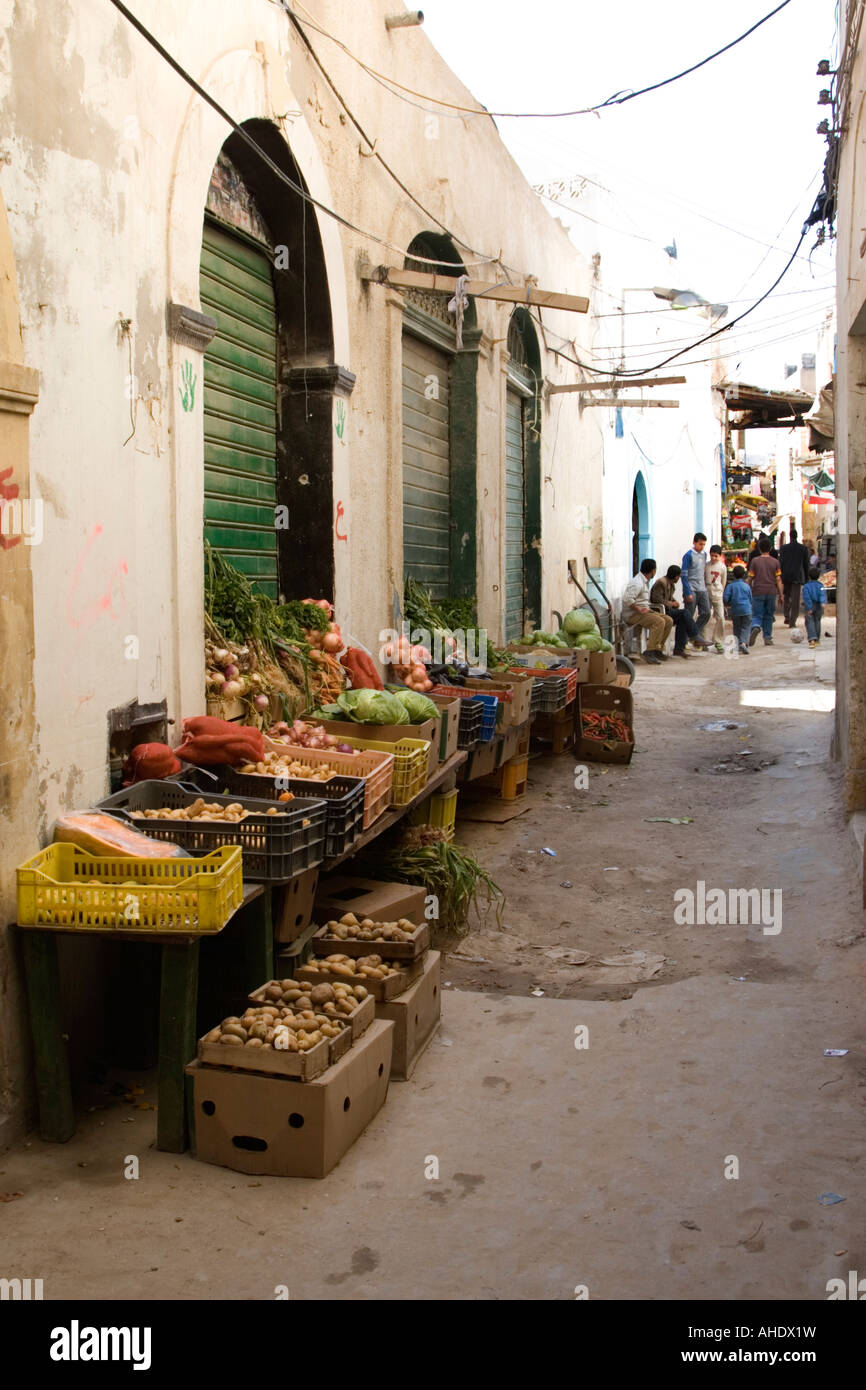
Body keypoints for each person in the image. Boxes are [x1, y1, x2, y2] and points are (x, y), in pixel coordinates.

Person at [649, 564, 711, 658]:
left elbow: (668, 597)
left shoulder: (670, 584)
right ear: (676, 576)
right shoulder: (661, 583)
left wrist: (674, 602)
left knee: (683, 620)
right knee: (685, 613)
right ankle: (694, 636)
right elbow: (656, 599)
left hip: (668, 610)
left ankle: (679, 648)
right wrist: (671, 604)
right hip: (661, 611)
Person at [622, 558, 674, 665]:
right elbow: (627, 599)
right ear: (653, 570)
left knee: (668, 620)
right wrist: (639, 609)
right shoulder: (637, 582)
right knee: (659, 622)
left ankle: (657, 649)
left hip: (644, 611)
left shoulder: (644, 581)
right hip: (633, 614)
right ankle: (649, 651)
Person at [747, 536, 784, 646]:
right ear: (771, 548)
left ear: (759, 549)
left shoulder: (755, 561)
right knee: (768, 615)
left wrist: (747, 589)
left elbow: (750, 578)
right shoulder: (775, 562)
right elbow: (778, 579)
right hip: (771, 591)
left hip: (758, 591)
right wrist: (781, 594)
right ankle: (767, 638)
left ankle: (756, 626)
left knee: (757, 614)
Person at [779, 526, 810, 627]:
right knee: (795, 599)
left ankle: (787, 616)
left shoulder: (784, 548)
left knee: (787, 596)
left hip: (786, 576)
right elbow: (806, 564)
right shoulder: (803, 548)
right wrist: (806, 578)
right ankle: (793, 621)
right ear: (796, 536)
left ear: (790, 536)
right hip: (797, 576)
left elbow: (781, 563)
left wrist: (780, 576)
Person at [681, 532, 710, 639]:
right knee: (688, 615)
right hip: (691, 587)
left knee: (706, 612)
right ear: (694, 543)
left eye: (703, 544)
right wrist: (687, 592)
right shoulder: (688, 555)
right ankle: (684, 640)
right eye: (700, 544)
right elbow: (684, 575)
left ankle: (693, 633)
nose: (702, 547)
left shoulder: (704, 554)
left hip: (702, 588)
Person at [724, 564, 754, 654]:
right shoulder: (746, 586)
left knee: (737, 627)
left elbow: (725, 598)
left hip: (736, 610)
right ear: (744, 575)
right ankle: (744, 643)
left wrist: (729, 603)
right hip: (747, 610)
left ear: (733, 575)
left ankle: (737, 645)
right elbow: (750, 598)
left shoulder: (730, 586)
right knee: (746, 627)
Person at [706, 544, 728, 654]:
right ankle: (703, 639)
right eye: (712, 556)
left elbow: (723, 581)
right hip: (706, 593)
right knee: (704, 616)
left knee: (720, 617)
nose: (713, 558)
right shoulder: (706, 566)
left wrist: (720, 592)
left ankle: (718, 640)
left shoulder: (722, 567)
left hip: (717, 595)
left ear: (720, 556)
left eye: (716, 556)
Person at [802, 566, 827, 648]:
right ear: (819, 576)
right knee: (817, 621)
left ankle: (812, 639)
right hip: (819, 606)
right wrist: (823, 602)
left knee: (809, 622)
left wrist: (809, 607)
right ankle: (817, 639)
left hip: (811, 605)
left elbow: (806, 597)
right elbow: (822, 594)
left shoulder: (806, 586)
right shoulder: (821, 585)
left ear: (809, 576)